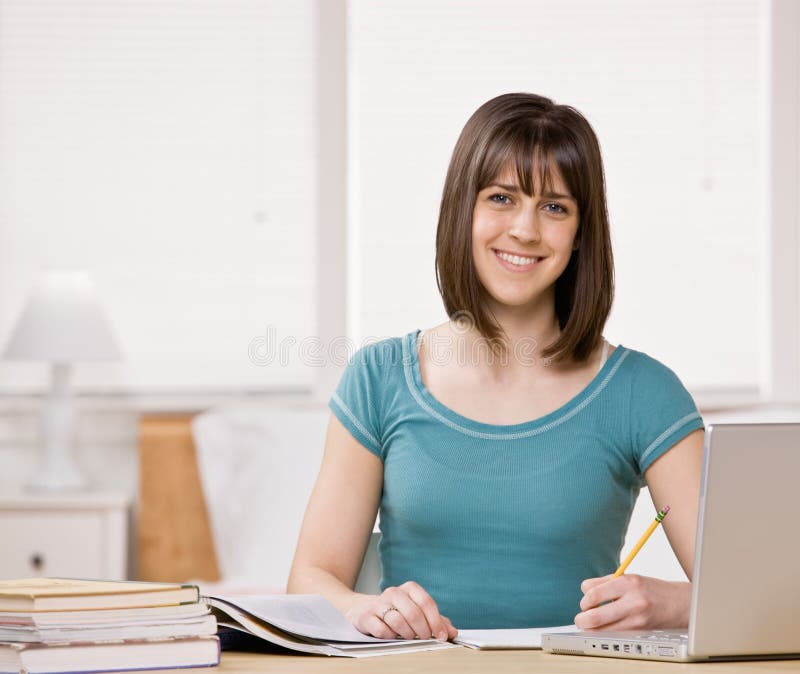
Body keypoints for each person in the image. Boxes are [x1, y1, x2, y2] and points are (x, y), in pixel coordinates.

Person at [287, 93, 704, 641]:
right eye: (502, 197)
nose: (526, 230)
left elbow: (759, 593)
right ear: (464, 209)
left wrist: (678, 604)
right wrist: (364, 609)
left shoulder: (644, 392)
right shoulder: (378, 376)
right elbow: (310, 581)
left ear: (581, 234)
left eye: (555, 207)